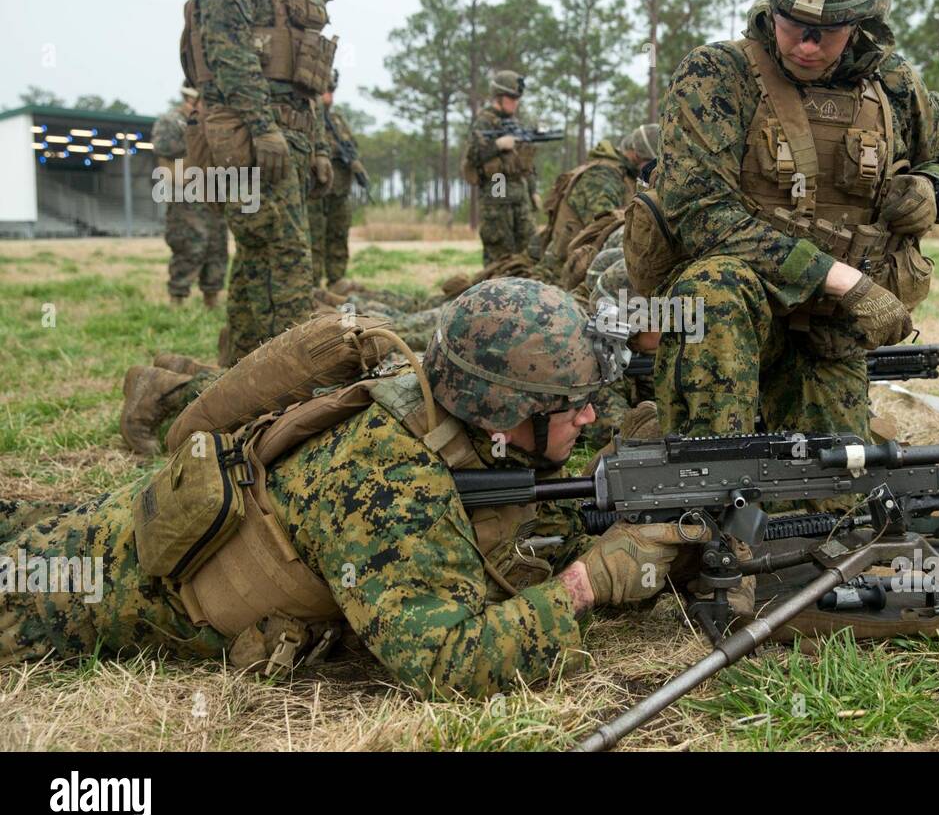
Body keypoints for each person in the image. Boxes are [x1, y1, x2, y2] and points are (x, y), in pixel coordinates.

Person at [8, 280, 706, 698]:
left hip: (134, 521)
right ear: (503, 413)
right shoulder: (388, 486)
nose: (588, 417)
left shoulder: (440, 402)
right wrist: (594, 580)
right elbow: (448, 664)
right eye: (573, 406)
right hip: (81, 594)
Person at [646, 0, 939, 441]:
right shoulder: (717, 77)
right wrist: (844, 280)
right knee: (713, 289)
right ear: (768, 3)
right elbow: (701, 215)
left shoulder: (893, 85)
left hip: (828, 329)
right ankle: (698, 459)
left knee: (830, 501)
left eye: (828, 30)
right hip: (737, 313)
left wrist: (932, 191)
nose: (806, 44)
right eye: (793, 23)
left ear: (862, 23)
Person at [182, 0, 336, 365]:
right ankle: (288, 374)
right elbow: (229, 61)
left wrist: (319, 147)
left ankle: (244, 369)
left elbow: (304, 86)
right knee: (287, 259)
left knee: (258, 257)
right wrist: (262, 127)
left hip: (285, 137)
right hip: (250, 140)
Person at [537, 124, 659, 281]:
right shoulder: (602, 176)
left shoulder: (626, 175)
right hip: (561, 276)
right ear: (636, 154)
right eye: (652, 164)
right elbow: (604, 228)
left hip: (583, 269)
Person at [152, 85, 229, 309]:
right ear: (191, 100)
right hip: (185, 197)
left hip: (213, 195)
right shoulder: (171, 121)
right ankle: (177, 299)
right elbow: (164, 149)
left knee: (216, 248)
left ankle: (211, 300)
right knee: (189, 246)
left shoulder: (212, 122)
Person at [463, 71, 542, 265]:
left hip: (520, 195)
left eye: (518, 99)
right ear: (498, 97)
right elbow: (472, 155)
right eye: (512, 98)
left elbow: (524, 163)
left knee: (531, 250)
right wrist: (497, 145)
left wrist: (533, 191)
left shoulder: (514, 123)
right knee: (500, 254)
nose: (516, 103)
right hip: (498, 192)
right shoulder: (483, 122)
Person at [316, 69, 367, 290]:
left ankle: (336, 278)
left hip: (340, 190)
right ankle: (313, 282)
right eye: (325, 91)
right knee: (315, 236)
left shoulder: (337, 120)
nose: (329, 97)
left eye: (331, 91)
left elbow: (352, 146)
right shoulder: (309, 119)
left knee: (338, 233)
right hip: (316, 191)